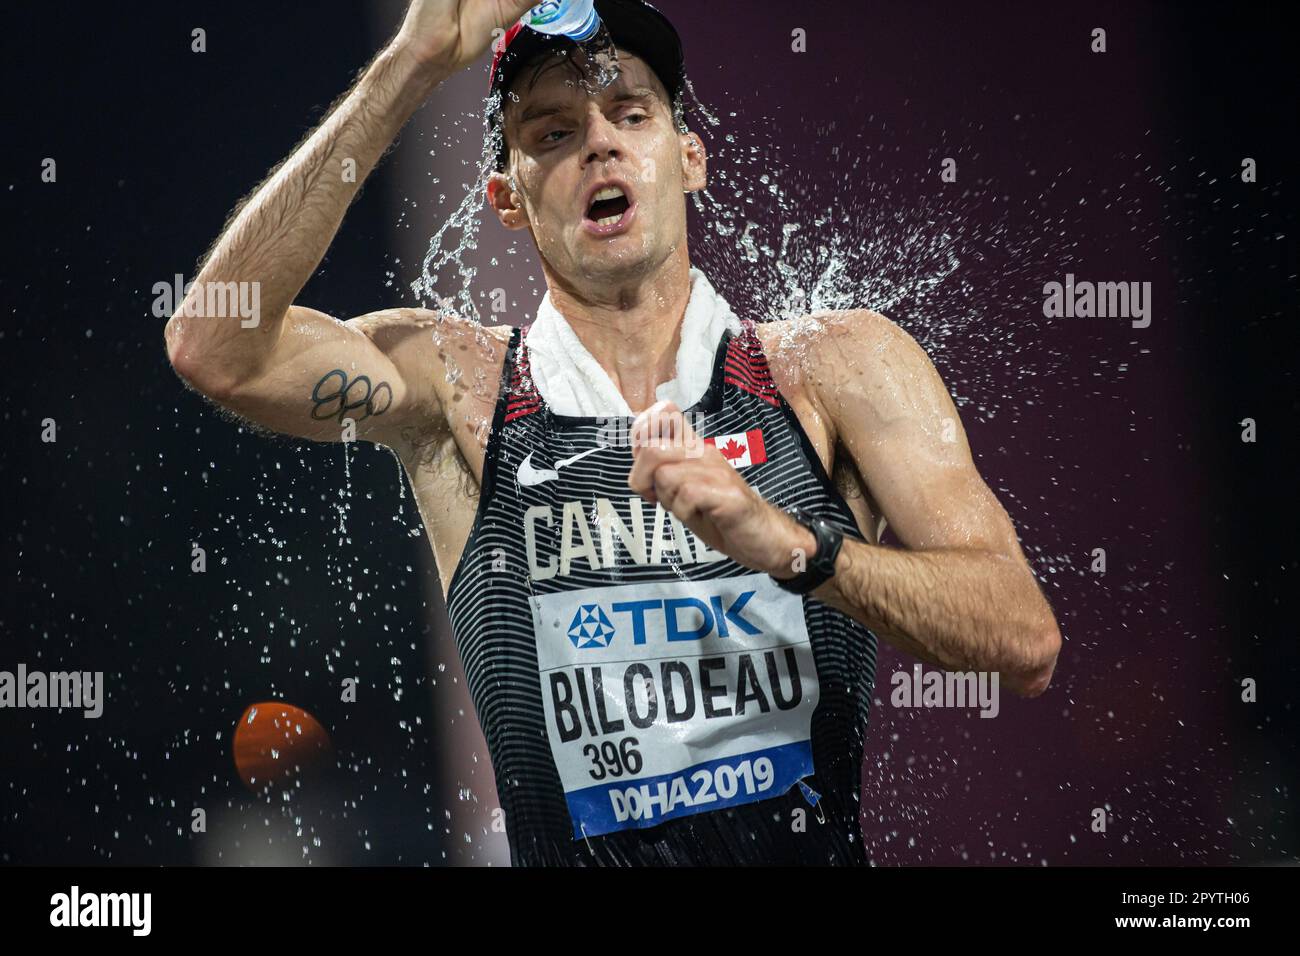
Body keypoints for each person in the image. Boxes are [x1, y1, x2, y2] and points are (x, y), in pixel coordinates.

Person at [163, 0, 1061, 866]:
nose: (598, 140)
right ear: (507, 201)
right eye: (551, 134)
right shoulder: (461, 389)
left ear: (690, 157)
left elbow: (1023, 642)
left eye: (630, 113)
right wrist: (412, 66)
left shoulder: (836, 370)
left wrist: (791, 546)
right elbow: (215, 349)